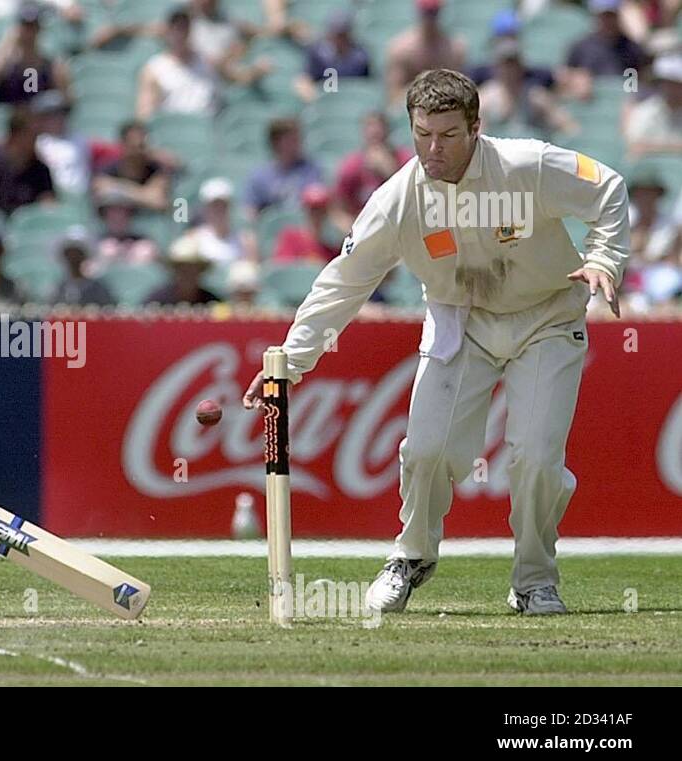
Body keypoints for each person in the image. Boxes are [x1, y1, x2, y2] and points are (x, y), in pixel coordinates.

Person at [242, 69, 629, 616]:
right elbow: (345, 282)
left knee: (537, 458)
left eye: (447, 135)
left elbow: (608, 186)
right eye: (422, 133)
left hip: (547, 317)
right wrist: (291, 360)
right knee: (426, 451)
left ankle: (534, 579)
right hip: (460, 322)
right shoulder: (398, 198)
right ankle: (412, 556)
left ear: (476, 127)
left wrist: (603, 258)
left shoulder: (527, 165)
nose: (433, 148)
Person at [0, 1, 71, 107]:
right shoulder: (6, 65)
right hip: (11, 120)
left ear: (39, 30)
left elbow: (67, 98)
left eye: (33, 27)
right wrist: (8, 43)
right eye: (25, 27)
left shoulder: (49, 66)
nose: (29, 33)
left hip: (39, 120)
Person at [136, 9, 220, 121]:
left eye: (185, 28)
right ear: (168, 31)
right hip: (172, 129)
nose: (180, 33)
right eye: (176, 28)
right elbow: (144, 113)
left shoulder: (208, 62)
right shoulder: (154, 69)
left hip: (205, 128)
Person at [334, 112, 414, 227]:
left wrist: (389, 172)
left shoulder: (403, 160)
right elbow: (339, 205)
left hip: (400, 225)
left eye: (379, 127)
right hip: (365, 228)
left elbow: (413, 196)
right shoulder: (352, 166)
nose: (375, 132)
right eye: (370, 127)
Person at [384, 0, 467, 103]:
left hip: (446, 106)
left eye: (433, 12)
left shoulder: (453, 49)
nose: (429, 18)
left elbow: (460, 91)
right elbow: (394, 95)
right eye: (426, 12)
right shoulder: (401, 49)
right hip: (411, 107)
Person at [243, 117, 324, 218]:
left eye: (298, 138)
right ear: (277, 143)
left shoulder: (311, 170)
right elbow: (251, 212)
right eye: (292, 139)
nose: (298, 143)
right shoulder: (260, 177)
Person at [91, 121, 172, 213]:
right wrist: (145, 194)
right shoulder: (107, 169)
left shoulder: (156, 170)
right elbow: (101, 190)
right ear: (122, 145)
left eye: (141, 146)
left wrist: (117, 188)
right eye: (133, 146)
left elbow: (158, 201)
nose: (138, 152)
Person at [146, 234, 220, 305]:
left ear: (200, 271)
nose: (187, 275)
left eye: (192, 270)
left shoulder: (212, 303)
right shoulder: (156, 302)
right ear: (175, 271)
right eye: (183, 269)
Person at [48, 226, 113, 305]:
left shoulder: (97, 288)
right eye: (69, 254)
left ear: (85, 256)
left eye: (77, 254)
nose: (73, 258)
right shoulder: (59, 289)